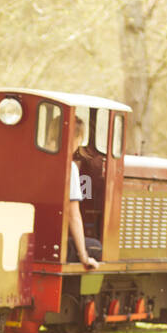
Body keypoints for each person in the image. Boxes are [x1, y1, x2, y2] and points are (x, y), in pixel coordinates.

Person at [65, 115, 102, 269]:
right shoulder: (69, 167)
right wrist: (84, 256)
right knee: (97, 247)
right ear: (77, 139)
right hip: (55, 247)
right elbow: (73, 215)